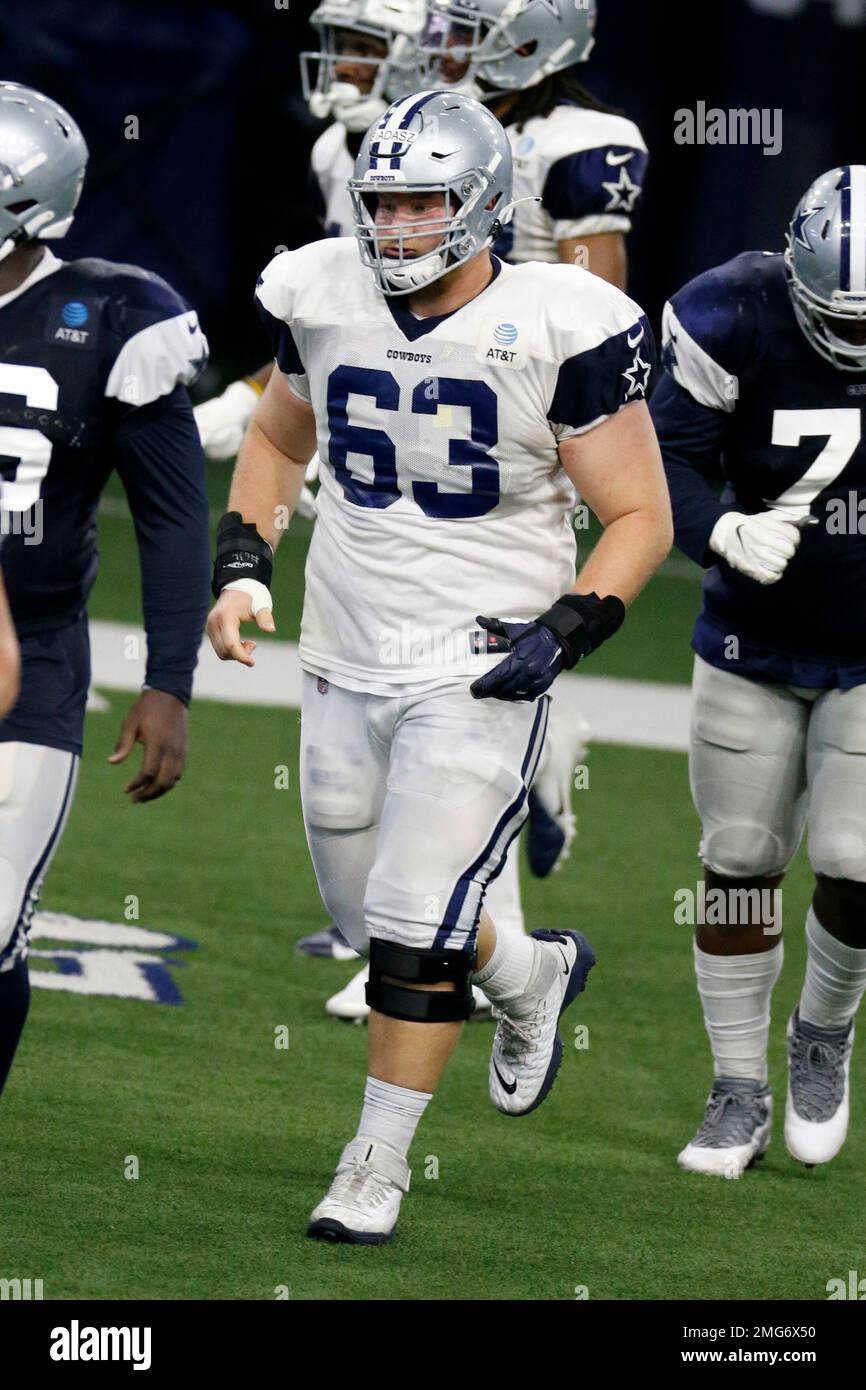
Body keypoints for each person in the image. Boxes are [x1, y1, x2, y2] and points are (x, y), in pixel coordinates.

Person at [208, 90, 671, 1242]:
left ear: (477, 202)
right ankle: (529, 972)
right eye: (383, 201)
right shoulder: (320, 290)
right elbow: (277, 435)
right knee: (371, 919)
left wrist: (567, 626)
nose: (398, 225)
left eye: (421, 200)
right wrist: (241, 558)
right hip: (342, 644)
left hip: (480, 662)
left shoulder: (563, 319)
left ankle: (373, 1166)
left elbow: (637, 514)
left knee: (415, 915)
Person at [650, 165, 866, 1177]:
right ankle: (736, 1084)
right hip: (748, 637)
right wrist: (722, 532)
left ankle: (822, 1030)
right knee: (737, 858)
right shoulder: (727, 310)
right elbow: (661, 471)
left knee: (857, 861)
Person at [0, 82, 211, 1097]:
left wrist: (168, 679)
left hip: (31, 654)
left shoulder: (114, 316)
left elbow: (171, 517)